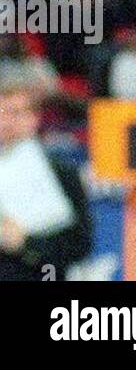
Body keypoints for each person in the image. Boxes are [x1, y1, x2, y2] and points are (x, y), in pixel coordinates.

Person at [0, 74, 93, 281]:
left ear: (34, 118)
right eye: (1, 113)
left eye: (15, 113)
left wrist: (26, 243)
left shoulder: (62, 173)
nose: (6, 121)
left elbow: (80, 244)